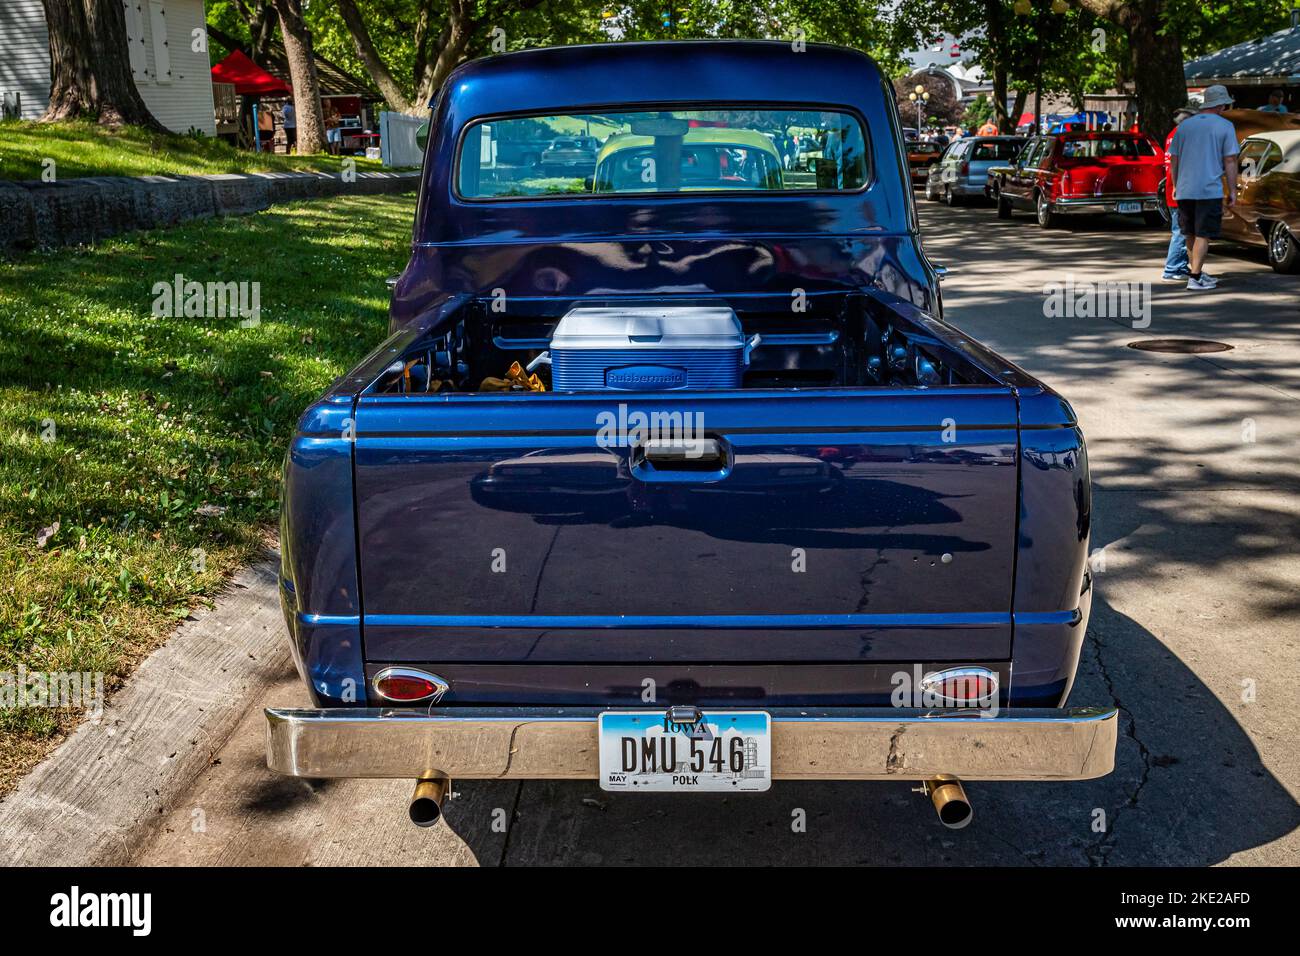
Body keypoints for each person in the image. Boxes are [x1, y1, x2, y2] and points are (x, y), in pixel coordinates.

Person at [1167, 85, 1239, 291]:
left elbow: (1175, 159)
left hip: (1185, 187)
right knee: (1203, 234)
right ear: (1222, 104)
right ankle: (1196, 277)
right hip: (1209, 188)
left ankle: (1195, 273)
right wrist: (1232, 190)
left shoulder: (1184, 126)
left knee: (1190, 232)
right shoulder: (1225, 126)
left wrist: (1175, 183)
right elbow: (1231, 160)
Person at [1161, 106, 1198, 282]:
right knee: (1181, 231)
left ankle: (1179, 266)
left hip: (1173, 188)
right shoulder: (1183, 137)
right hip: (1180, 189)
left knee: (1180, 230)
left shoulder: (1172, 135)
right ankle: (1172, 268)